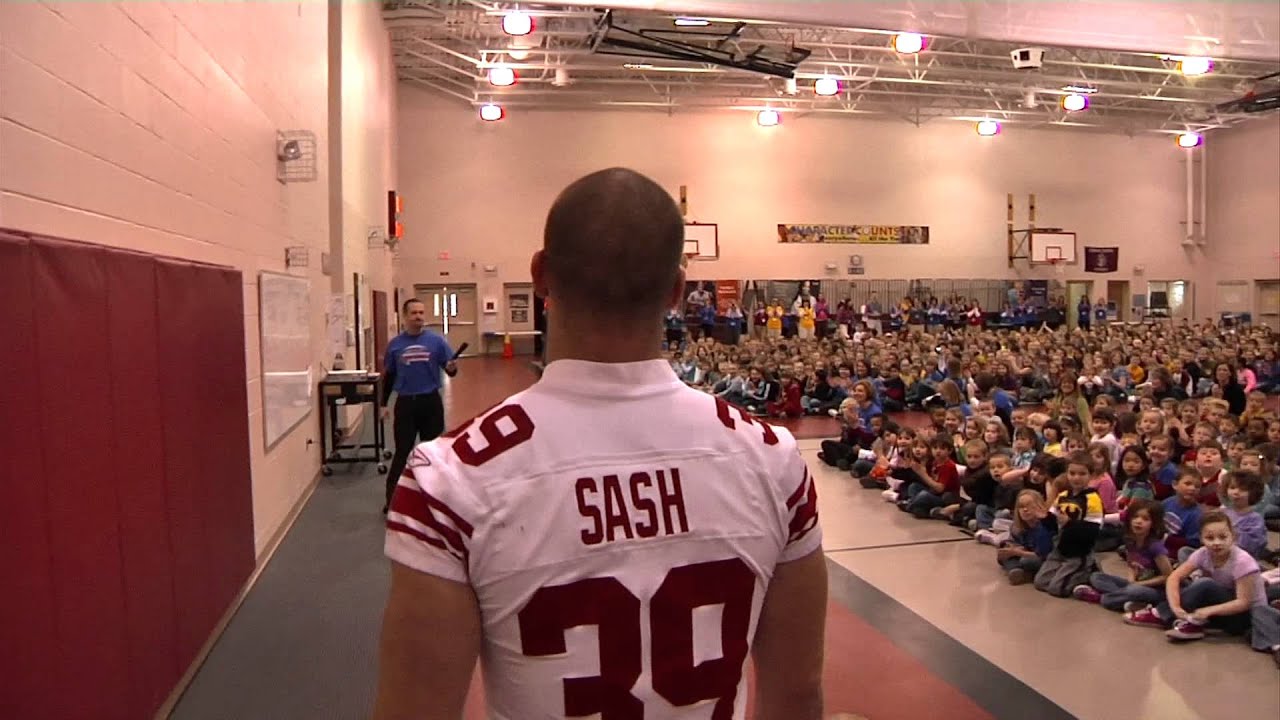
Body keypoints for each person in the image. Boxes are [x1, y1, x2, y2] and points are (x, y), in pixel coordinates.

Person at [374, 168, 827, 720]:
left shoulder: (448, 480)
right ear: (677, 290)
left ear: (540, 276)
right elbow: (797, 696)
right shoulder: (774, 459)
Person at [379, 298, 458, 513]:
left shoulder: (437, 342)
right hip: (405, 404)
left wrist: (452, 368)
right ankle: (392, 501)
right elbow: (390, 376)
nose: (419, 316)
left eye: (422, 312)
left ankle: (436, 501)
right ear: (405, 317)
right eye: (414, 313)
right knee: (402, 451)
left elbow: (450, 370)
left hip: (430, 402)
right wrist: (382, 404)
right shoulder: (395, 345)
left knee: (433, 452)